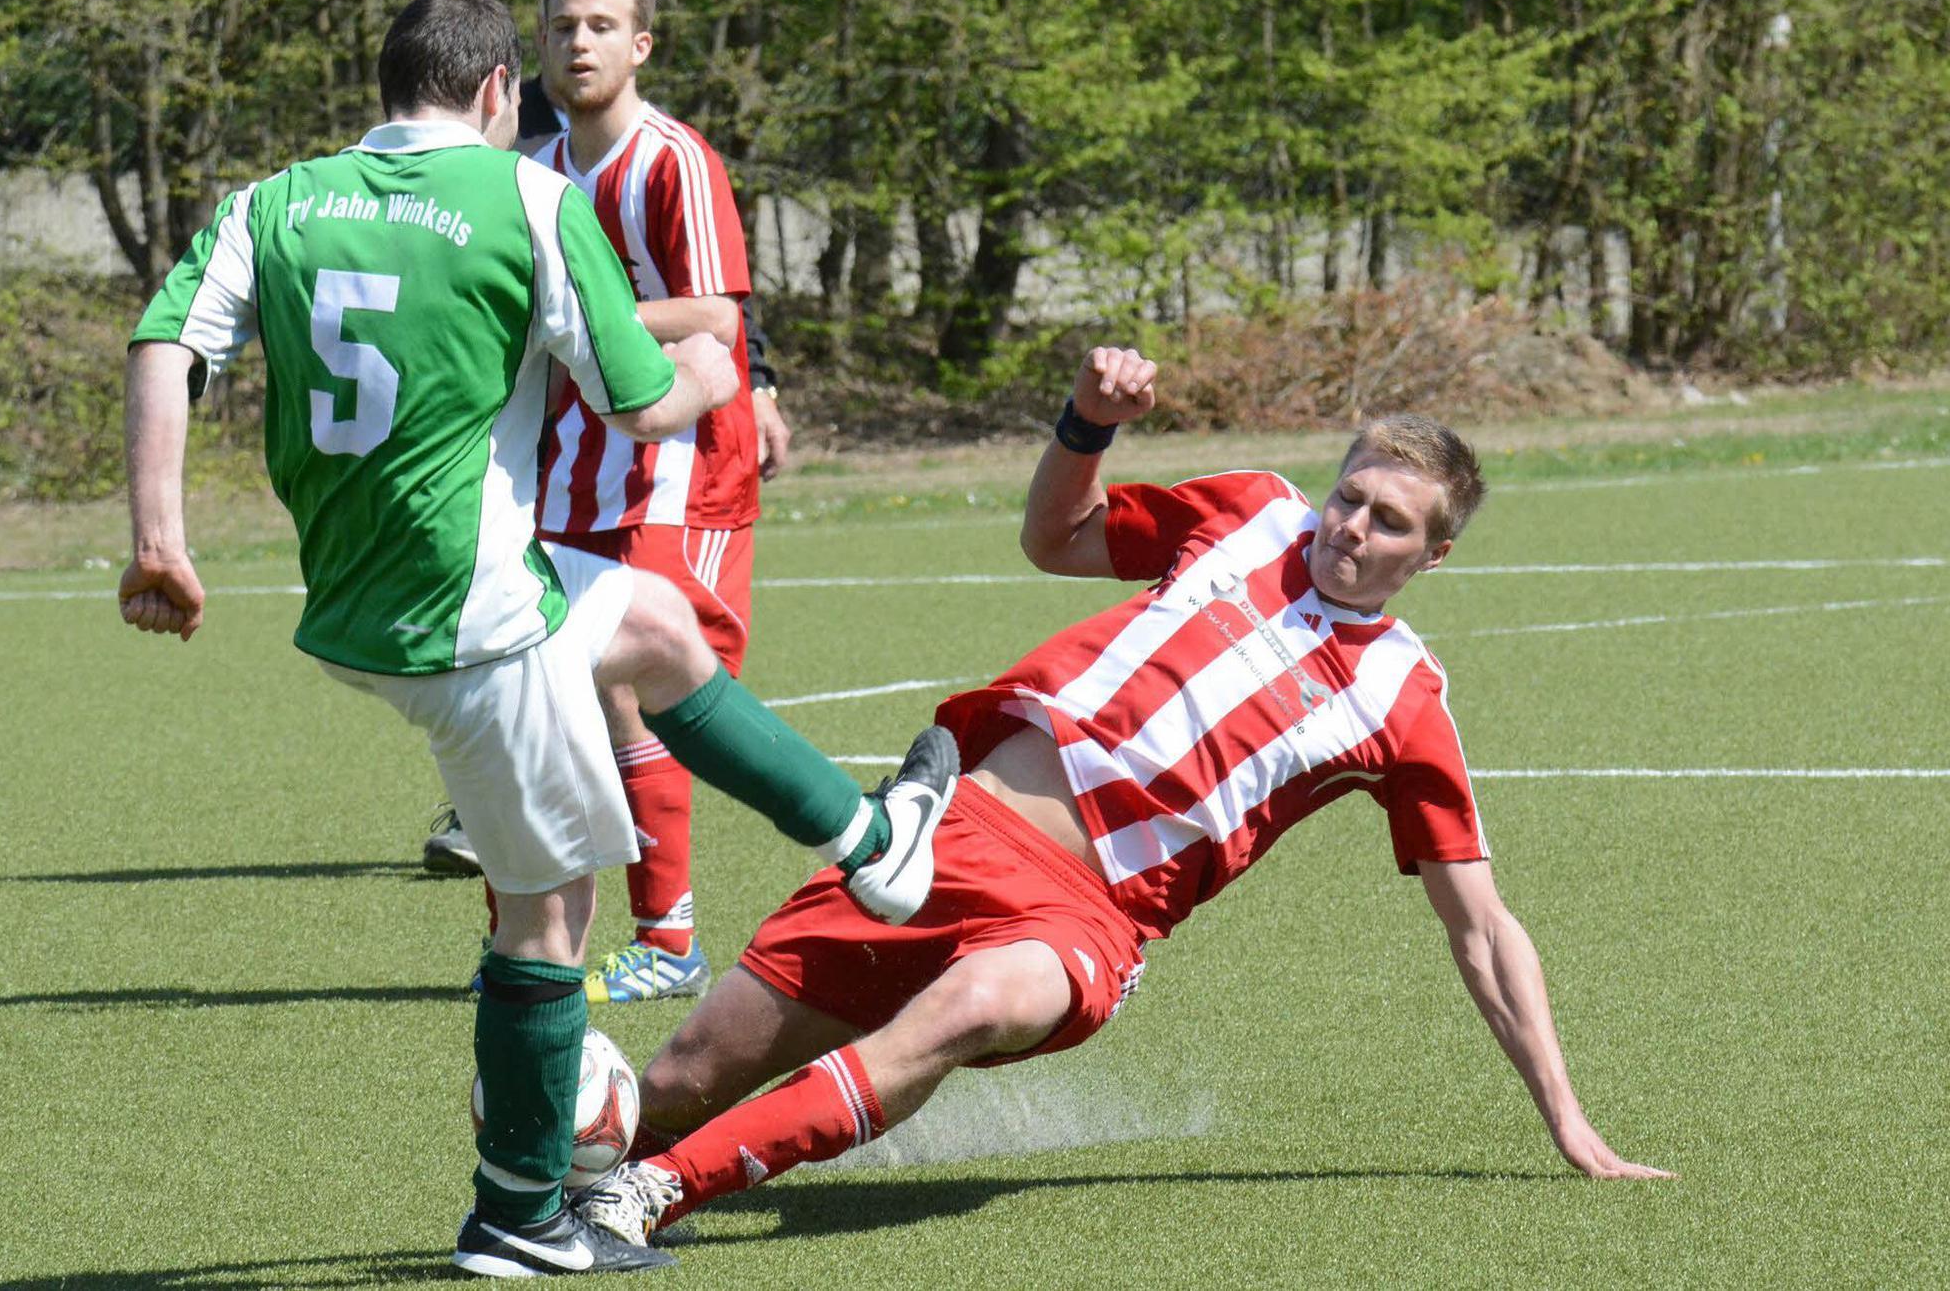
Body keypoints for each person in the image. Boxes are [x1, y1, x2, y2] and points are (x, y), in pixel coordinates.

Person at [117, 0, 956, 1278]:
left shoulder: (271, 201)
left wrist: (159, 534)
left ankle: (868, 841)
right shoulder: (530, 200)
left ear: (392, 89)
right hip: (476, 623)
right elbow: (640, 402)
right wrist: (720, 377)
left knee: (659, 626)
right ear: (503, 91)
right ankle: (518, 1209)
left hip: (361, 600)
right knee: (550, 910)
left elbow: (168, 341)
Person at [579, 346, 1676, 1249]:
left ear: (1431, 556)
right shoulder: (1249, 512)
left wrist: (1565, 1118)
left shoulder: (1403, 697)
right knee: (685, 1071)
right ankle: (551, 1198)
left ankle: (658, 1193)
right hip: (947, 830)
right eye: (1349, 496)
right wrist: (1084, 424)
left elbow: (1479, 928)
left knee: (965, 1011)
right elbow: (1053, 538)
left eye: (1390, 522)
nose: (1350, 527)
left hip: (1086, 916)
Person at [425, 0, 788, 1010]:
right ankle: (532, 929)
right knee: (539, 683)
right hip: (576, 466)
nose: (577, 42)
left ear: (639, 43)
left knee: (629, 685)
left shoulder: (672, 160)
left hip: (679, 465)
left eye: (598, 26)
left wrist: (582, 320)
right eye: (559, 26)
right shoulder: (533, 172)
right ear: (534, 46)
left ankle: (671, 940)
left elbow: (718, 315)